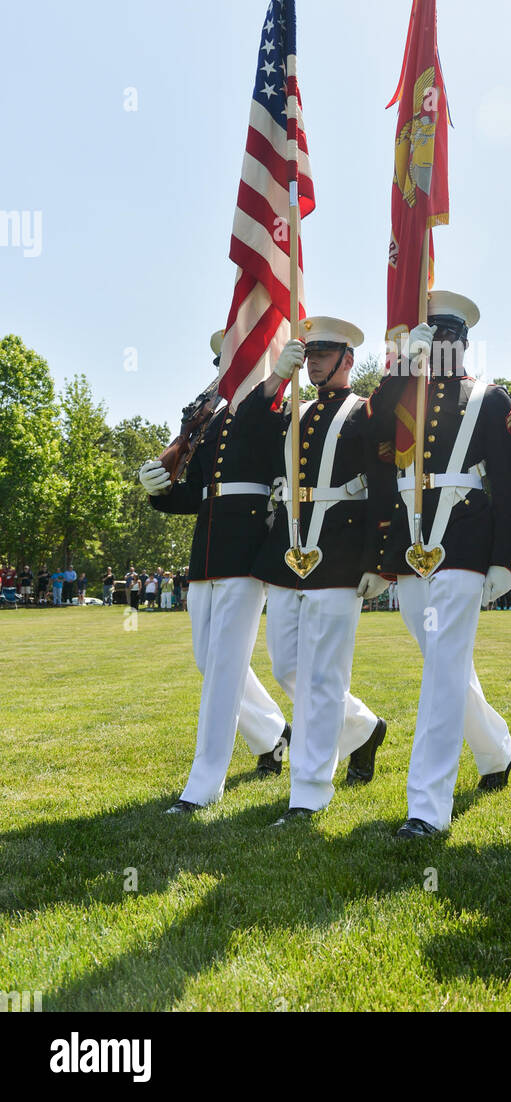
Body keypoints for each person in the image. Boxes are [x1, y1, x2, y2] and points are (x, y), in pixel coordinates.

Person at [364, 292, 511, 840]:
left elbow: (507, 483)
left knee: (442, 668)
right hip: (411, 541)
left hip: (466, 536)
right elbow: (369, 425)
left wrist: (505, 556)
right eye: (434, 339)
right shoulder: (407, 399)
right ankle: (498, 749)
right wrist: (404, 366)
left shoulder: (489, 398)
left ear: (465, 343)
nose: (442, 349)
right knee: (444, 661)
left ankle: (427, 808)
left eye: (450, 338)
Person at [239, 318, 390, 824]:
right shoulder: (291, 411)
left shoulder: (366, 412)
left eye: (325, 353)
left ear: (348, 359)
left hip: (341, 554)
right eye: (309, 352)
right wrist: (276, 380)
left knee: (324, 678)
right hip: (287, 552)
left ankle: (308, 792)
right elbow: (246, 429)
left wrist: (379, 559)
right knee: (287, 667)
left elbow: (384, 490)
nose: (315, 360)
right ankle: (364, 728)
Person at [138, 331, 292, 813]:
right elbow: (198, 492)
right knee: (211, 661)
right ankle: (273, 734)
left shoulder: (274, 410)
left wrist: (281, 378)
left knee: (223, 666)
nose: (223, 368)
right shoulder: (207, 419)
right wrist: (158, 490)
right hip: (206, 549)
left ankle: (203, 785)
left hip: (247, 547)